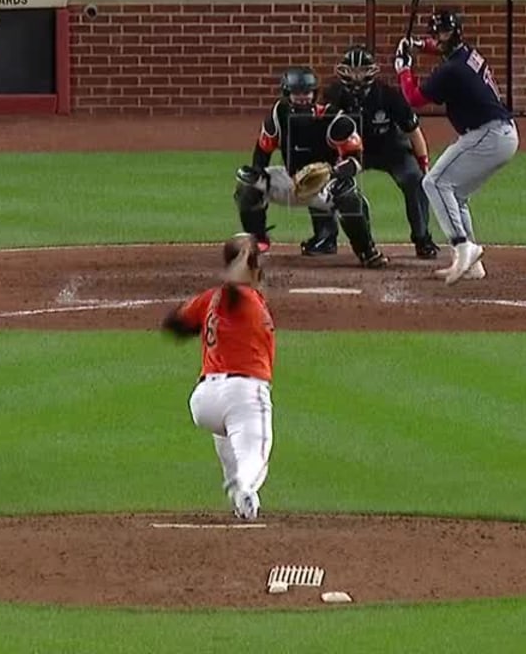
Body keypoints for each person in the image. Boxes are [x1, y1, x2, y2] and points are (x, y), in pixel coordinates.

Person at [395, 10, 518, 285]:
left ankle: (463, 246)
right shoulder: (465, 54)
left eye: (444, 32)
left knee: (434, 183)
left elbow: (414, 99)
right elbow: (437, 47)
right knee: (455, 193)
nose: (438, 37)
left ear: (456, 32)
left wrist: (403, 69)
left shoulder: (450, 70)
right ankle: (471, 264)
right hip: (498, 135)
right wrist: (415, 45)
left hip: (488, 135)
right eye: (436, 32)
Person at [162, 233, 276, 521]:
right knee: (257, 452)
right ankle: (245, 484)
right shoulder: (231, 296)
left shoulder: (214, 299)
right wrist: (238, 263)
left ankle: (242, 501)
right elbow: (232, 289)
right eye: (255, 259)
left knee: (230, 436)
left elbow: (174, 324)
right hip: (243, 393)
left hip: (206, 400)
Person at [233, 66, 390, 269]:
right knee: (248, 182)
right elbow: (262, 153)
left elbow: (356, 160)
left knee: (348, 193)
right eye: (297, 93)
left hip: (323, 185)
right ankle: (258, 240)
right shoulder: (278, 115)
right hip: (291, 181)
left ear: (314, 93)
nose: (303, 98)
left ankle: (367, 252)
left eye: (306, 92)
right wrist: (257, 176)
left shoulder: (333, 119)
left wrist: (331, 172)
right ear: (287, 94)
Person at [307, 45, 440, 261]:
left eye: (361, 71)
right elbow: (319, 128)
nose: (356, 76)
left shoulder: (388, 95)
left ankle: (422, 238)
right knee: (318, 178)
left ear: (371, 72)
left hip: (391, 149)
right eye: (352, 70)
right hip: (351, 152)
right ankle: (326, 237)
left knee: (414, 179)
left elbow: (413, 130)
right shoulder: (333, 94)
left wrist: (423, 164)